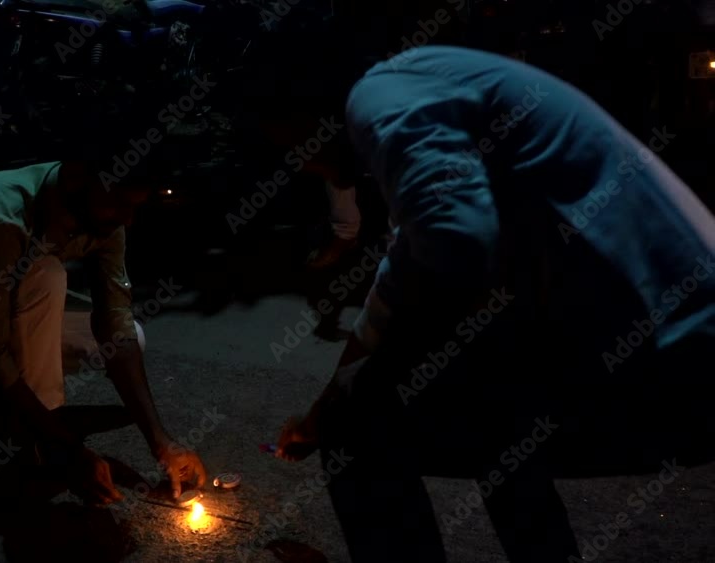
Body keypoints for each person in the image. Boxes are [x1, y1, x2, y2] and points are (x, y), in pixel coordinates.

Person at [273, 46, 715, 562]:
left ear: (304, 110)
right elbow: (395, 287)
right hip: (668, 330)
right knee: (493, 413)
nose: (299, 165)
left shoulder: (380, 96)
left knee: (361, 424)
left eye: (285, 143)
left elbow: (456, 257)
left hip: (671, 347)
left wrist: (350, 402)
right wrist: (320, 408)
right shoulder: (425, 94)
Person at [0, 159, 207, 506]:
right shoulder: (0, 216)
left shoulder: (105, 216)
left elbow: (114, 320)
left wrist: (160, 440)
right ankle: (37, 439)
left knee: (130, 336)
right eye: (119, 203)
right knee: (45, 276)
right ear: (79, 181)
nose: (127, 218)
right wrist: (68, 449)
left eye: (134, 207)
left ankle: (17, 414)